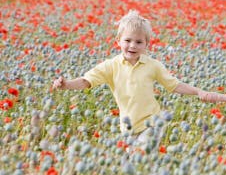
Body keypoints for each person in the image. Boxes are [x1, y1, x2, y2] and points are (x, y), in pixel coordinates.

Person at [51, 10, 203, 143]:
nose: (133, 46)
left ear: (146, 44)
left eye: (138, 42)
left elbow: (174, 85)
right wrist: (67, 84)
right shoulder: (111, 66)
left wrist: (198, 92)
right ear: (118, 42)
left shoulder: (153, 65)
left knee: (142, 155)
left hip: (152, 123)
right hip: (127, 127)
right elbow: (86, 81)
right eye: (128, 40)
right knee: (134, 163)